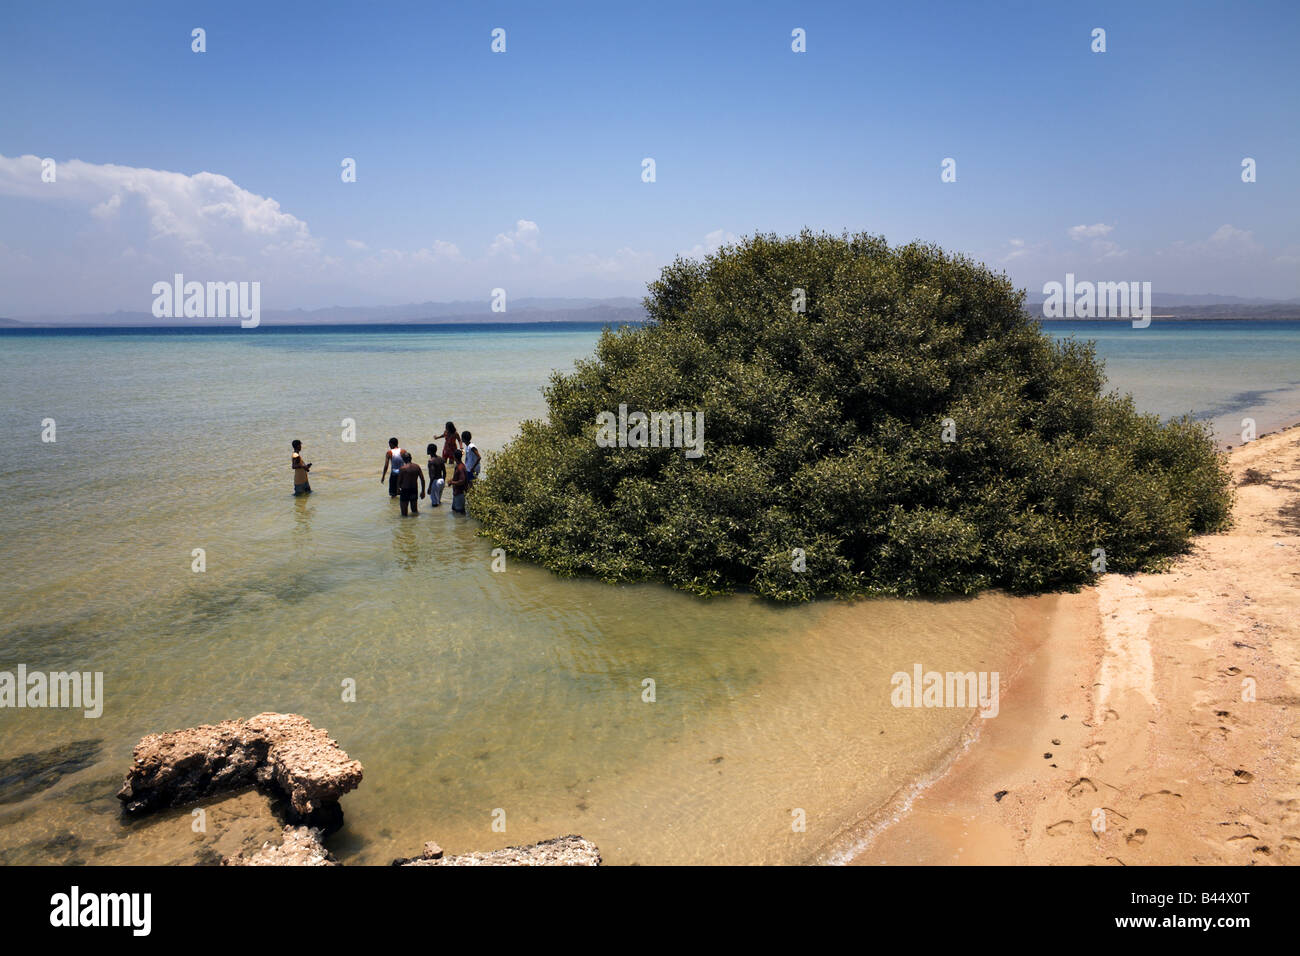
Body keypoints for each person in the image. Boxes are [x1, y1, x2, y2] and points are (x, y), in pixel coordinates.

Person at [397, 451, 425, 517]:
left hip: (405, 490)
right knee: (414, 512)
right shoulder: (417, 467)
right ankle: (414, 525)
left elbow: (399, 481)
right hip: (414, 490)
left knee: (404, 514)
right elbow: (422, 479)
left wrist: (398, 489)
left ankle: (406, 526)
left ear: (403, 459)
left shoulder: (402, 469)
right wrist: (423, 491)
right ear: (411, 458)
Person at [426, 443, 446, 507]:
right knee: (439, 501)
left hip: (435, 482)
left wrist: (429, 487)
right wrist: (443, 481)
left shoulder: (431, 461)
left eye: (428, 449)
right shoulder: (441, 459)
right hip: (441, 480)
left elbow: (432, 476)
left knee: (434, 504)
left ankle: (435, 516)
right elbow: (444, 472)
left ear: (430, 451)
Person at [448, 449, 468, 514]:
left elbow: (462, 481)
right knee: (454, 511)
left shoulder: (460, 467)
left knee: (460, 514)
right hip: (456, 493)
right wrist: (452, 480)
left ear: (454, 457)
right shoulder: (458, 465)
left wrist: (452, 482)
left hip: (460, 494)